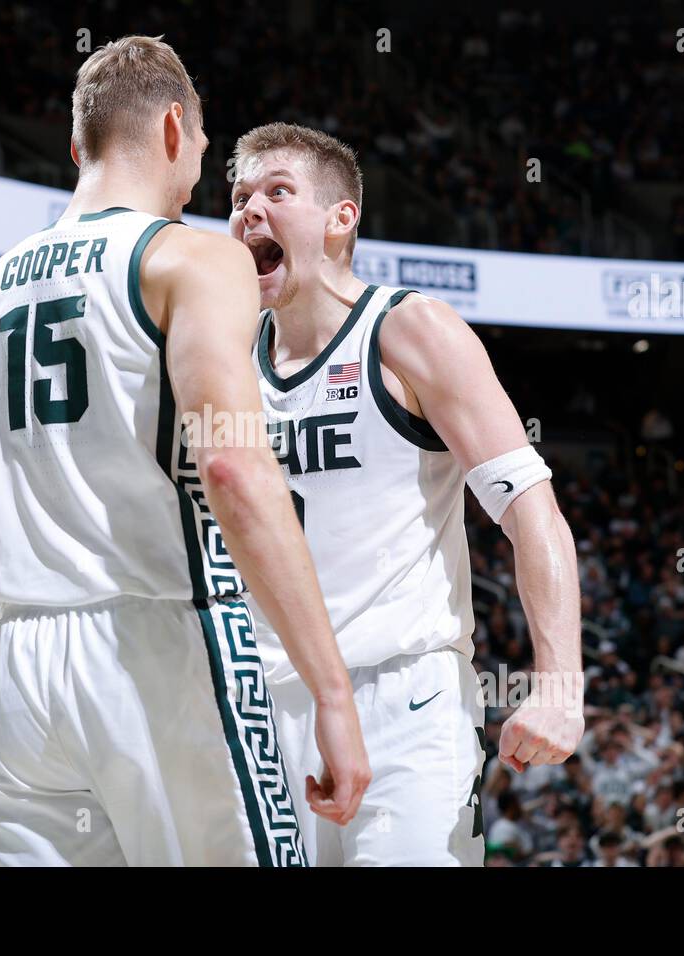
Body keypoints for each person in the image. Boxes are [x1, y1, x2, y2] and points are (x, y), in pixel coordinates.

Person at [0, 36, 368, 868]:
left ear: (75, 145)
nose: (201, 172)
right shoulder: (197, 258)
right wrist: (332, 693)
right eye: (203, 146)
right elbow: (232, 467)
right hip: (165, 645)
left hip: (18, 679)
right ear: (173, 127)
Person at [227, 122, 583, 865]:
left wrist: (559, 685)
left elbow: (530, 509)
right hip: (263, 706)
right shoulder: (224, 355)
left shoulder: (409, 330)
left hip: (404, 697)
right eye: (238, 196)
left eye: (277, 191)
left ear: (340, 217)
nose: (249, 210)